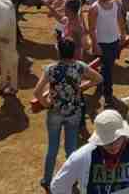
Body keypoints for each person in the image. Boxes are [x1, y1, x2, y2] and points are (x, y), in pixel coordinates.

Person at [33, 38, 103, 191]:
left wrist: (47, 105)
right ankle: (71, 179)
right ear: (74, 52)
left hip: (55, 113)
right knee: (71, 149)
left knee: (52, 148)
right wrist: (82, 87)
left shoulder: (50, 69)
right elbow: (99, 78)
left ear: (59, 51)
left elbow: (37, 92)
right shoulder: (80, 67)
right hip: (74, 112)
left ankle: (46, 179)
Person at [50, 109, 129, 193]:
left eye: (116, 139)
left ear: (124, 134)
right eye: (107, 142)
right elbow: (58, 186)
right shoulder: (83, 155)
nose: (112, 145)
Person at [88, 0, 122, 107]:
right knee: (108, 70)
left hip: (114, 41)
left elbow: (120, 19)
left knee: (108, 66)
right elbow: (91, 29)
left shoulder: (116, 4)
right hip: (102, 43)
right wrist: (95, 45)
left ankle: (100, 83)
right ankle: (108, 96)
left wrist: (122, 35)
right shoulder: (94, 8)